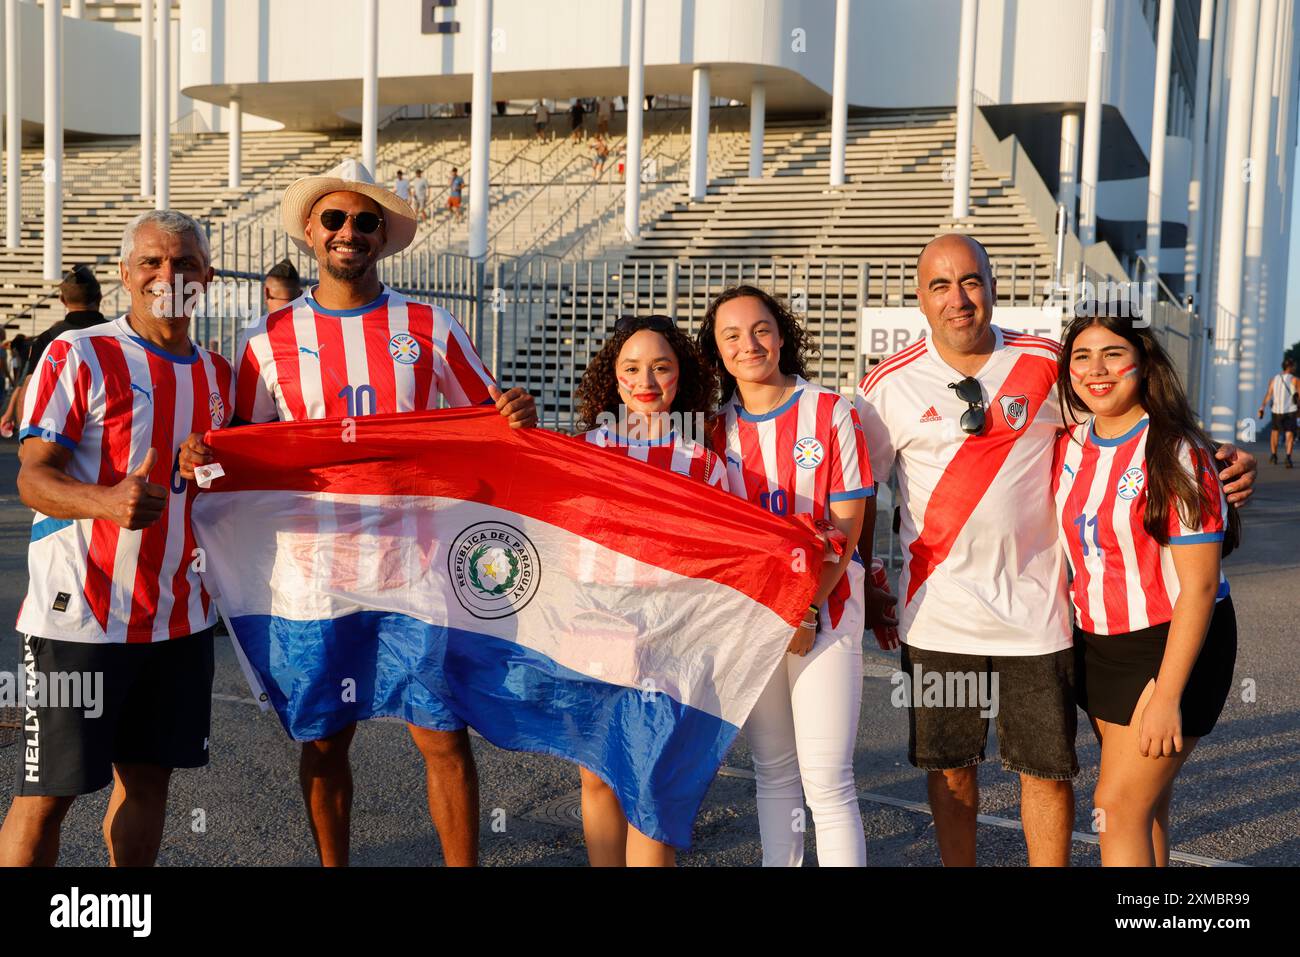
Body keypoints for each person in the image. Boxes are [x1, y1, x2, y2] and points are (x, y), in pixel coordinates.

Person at [854, 234, 1256, 866]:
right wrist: (866, 578)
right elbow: (850, 490)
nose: (958, 299)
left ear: (991, 284)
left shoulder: (1047, 363)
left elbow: (1128, 417)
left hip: (1039, 619)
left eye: (971, 281)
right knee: (951, 769)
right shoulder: (887, 385)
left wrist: (1218, 455)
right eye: (940, 285)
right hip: (936, 618)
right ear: (919, 297)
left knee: (1046, 774)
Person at [179, 158, 537, 868]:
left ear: (382, 235)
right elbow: (244, 460)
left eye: (365, 220)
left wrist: (519, 412)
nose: (350, 231)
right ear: (312, 232)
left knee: (441, 732)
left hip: (417, 568)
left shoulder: (430, 325)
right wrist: (201, 459)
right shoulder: (265, 339)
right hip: (317, 575)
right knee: (324, 736)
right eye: (335, 219)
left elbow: (493, 425)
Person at [0, 210, 233, 866]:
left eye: (185, 262)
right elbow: (32, 478)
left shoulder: (217, 376)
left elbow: (217, 485)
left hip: (177, 620)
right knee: (48, 793)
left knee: (149, 779)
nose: (170, 275)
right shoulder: (81, 353)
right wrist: (105, 500)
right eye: (153, 263)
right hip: (81, 619)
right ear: (127, 275)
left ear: (207, 277)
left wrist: (205, 467)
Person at [1054, 305, 1240, 866]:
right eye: (1082, 357)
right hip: (1101, 644)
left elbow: (1201, 587)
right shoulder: (1067, 445)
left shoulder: (1175, 450)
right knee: (1148, 807)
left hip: (1174, 642)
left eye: (1114, 353)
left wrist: (1167, 694)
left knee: (1115, 808)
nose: (1097, 369)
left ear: (1143, 363)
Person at [698, 285, 873, 867]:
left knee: (827, 779)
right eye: (732, 335)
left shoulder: (831, 411)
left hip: (824, 611)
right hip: (753, 619)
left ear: (782, 334)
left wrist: (805, 608)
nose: (749, 344)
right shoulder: (714, 430)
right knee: (772, 772)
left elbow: (845, 529)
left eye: (761, 329)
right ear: (717, 350)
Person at [570, 313, 726, 867]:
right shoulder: (581, 452)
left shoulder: (703, 462)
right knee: (598, 780)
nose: (646, 381)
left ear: (680, 377)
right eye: (631, 368)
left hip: (670, 638)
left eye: (661, 367)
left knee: (652, 788)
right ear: (612, 379)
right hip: (595, 631)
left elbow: (719, 559)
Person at [1, 266, 107, 439]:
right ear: (100, 297)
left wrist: (26, 442)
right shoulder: (120, 335)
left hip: (58, 435)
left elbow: (28, 391)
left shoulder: (47, 339)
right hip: (108, 436)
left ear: (62, 300)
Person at [1257, 357, 1297, 467]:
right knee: (1290, 433)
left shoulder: (1274, 379)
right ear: (1290, 367)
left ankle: (1274, 456)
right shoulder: (1295, 380)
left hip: (1276, 411)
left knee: (1275, 432)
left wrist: (1262, 407)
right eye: (1294, 366)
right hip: (1290, 411)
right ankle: (1288, 457)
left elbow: (1269, 394)